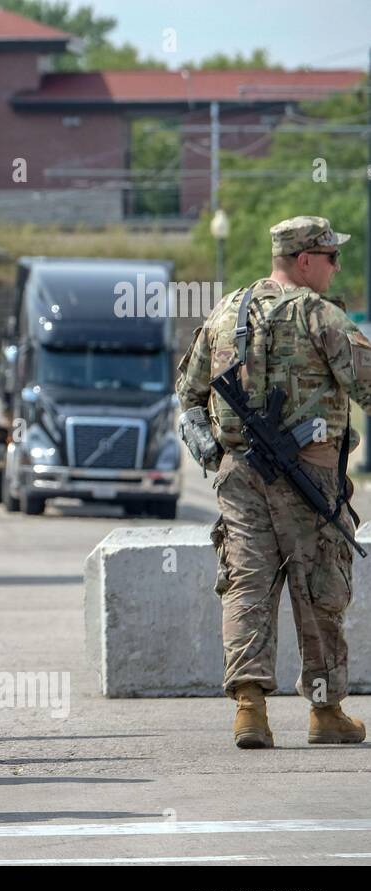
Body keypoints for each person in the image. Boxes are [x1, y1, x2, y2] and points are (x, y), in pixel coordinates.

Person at [176, 215, 368, 749]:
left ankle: (250, 710)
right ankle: (326, 712)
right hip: (309, 473)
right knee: (320, 586)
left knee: (246, 584)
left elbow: (188, 396)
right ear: (305, 260)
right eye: (331, 257)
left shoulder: (225, 311)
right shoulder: (321, 317)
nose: (335, 267)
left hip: (240, 477)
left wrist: (212, 451)